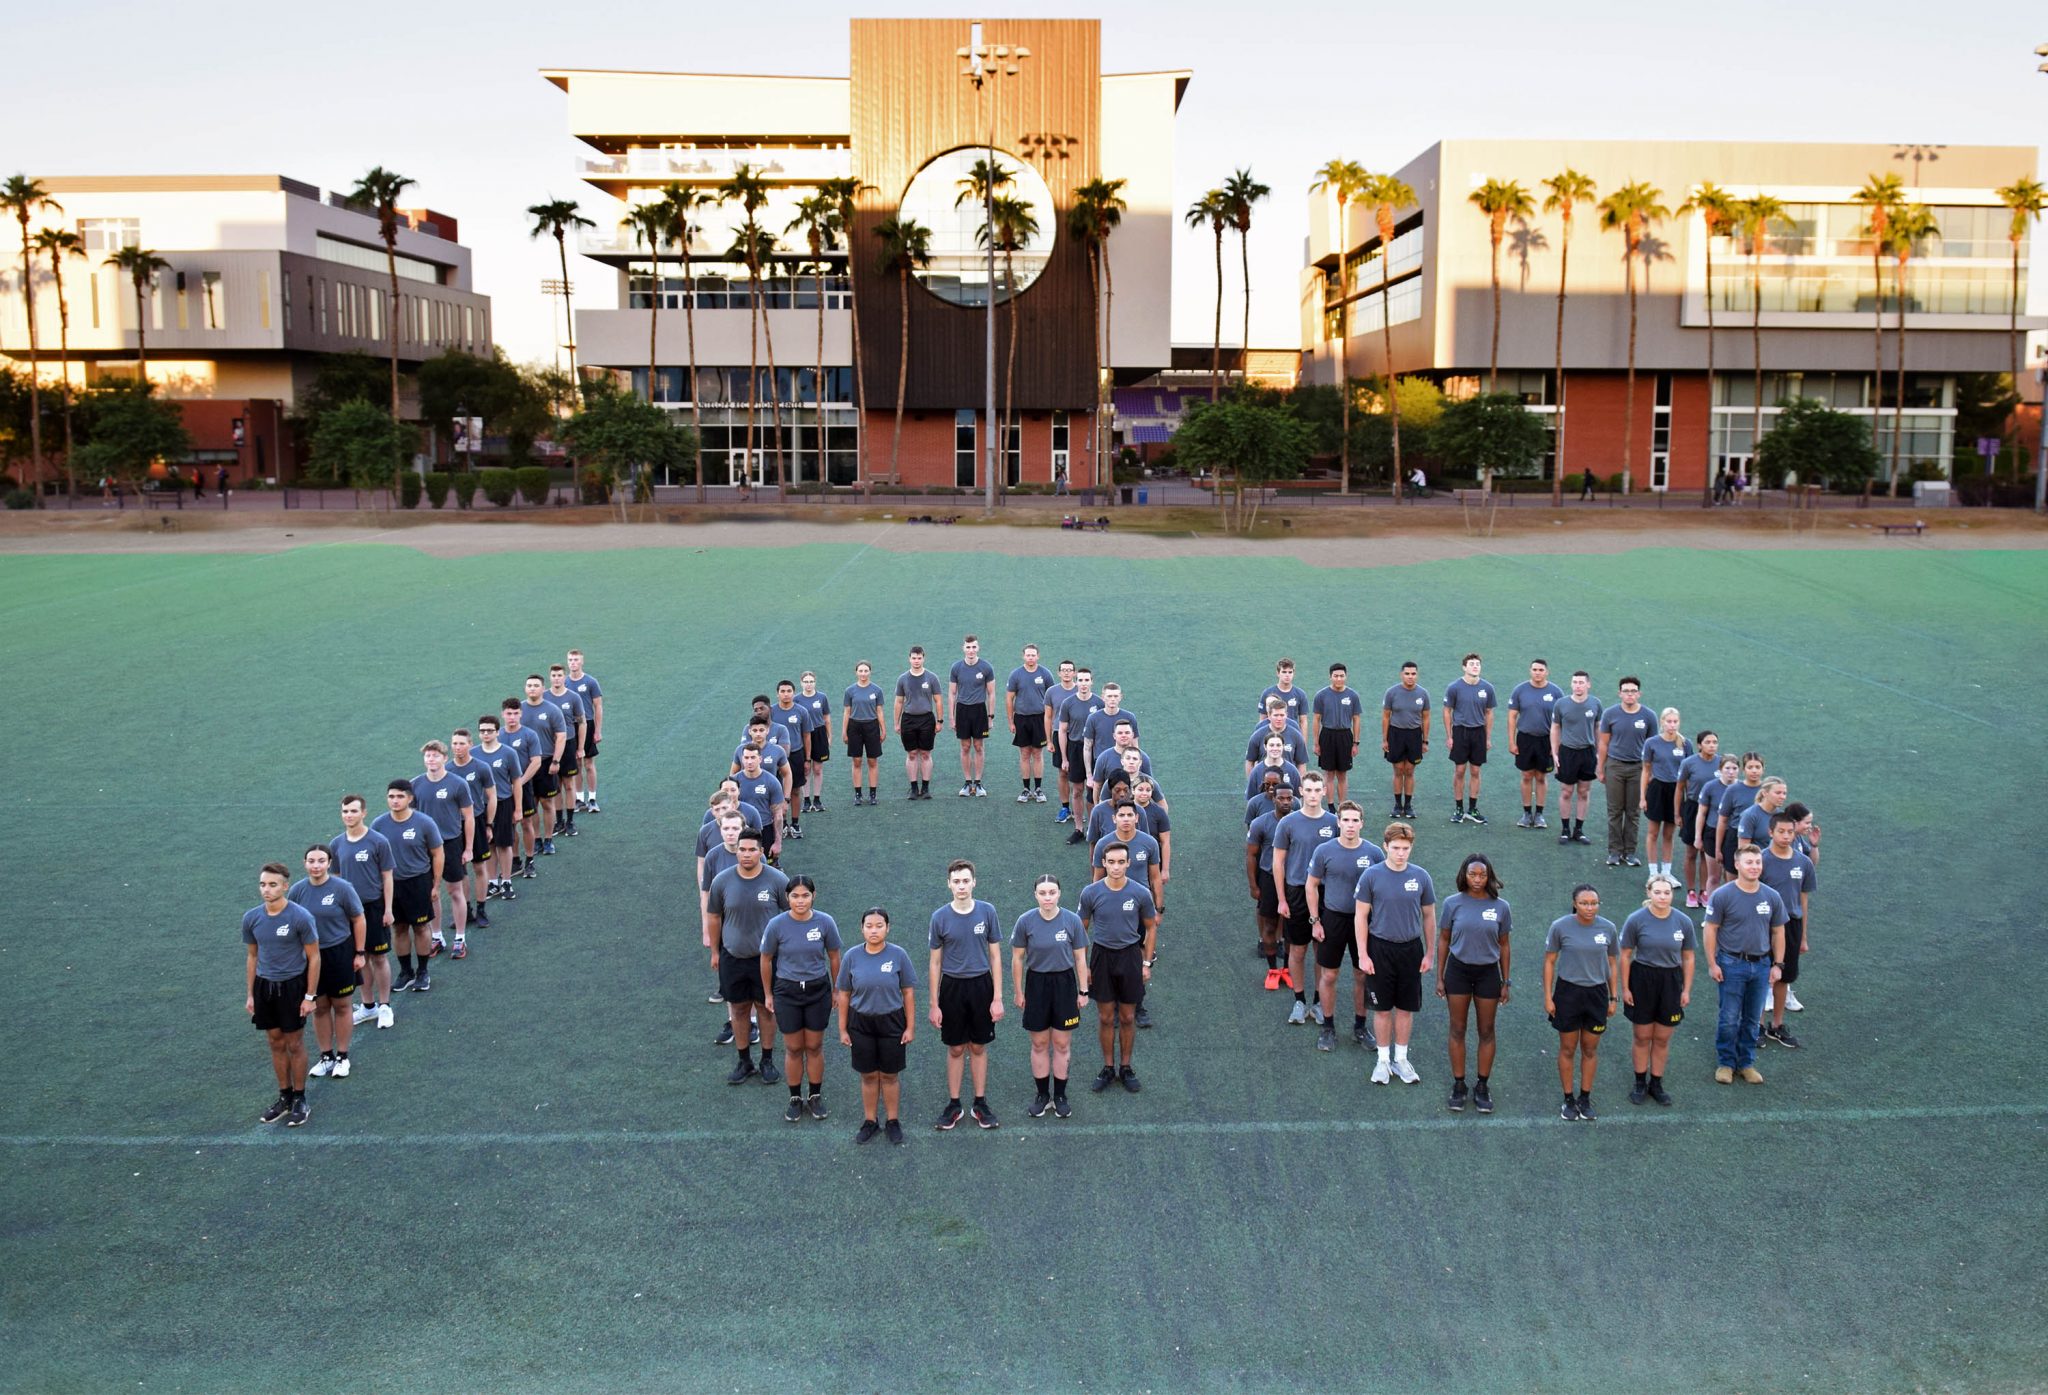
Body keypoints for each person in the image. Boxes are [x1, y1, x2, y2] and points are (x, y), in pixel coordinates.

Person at [705, 828, 790, 1084]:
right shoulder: (722, 881)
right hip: (733, 957)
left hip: (767, 960)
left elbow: (792, 916)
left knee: (766, 1008)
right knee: (739, 1009)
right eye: (742, 850)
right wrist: (715, 951)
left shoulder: (777, 880)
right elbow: (714, 916)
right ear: (737, 852)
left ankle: (767, 1060)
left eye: (752, 849)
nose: (746, 854)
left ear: (761, 852)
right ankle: (744, 1061)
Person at [1354, 821, 1436, 1084]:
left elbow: (1429, 916)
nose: (1401, 853)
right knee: (1381, 1008)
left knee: (1405, 1008)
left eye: (1405, 848)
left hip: (1411, 950)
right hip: (1380, 949)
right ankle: (1382, 1061)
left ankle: (1400, 1060)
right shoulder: (1371, 876)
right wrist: (1363, 954)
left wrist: (1430, 953)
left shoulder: (1421, 876)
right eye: (1396, 848)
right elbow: (1360, 916)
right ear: (1385, 846)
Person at [928, 860, 1006, 1129]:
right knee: (956, 1047)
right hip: (952, 988)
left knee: (979, 1046)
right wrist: (934, 1004)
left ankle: (980, 1103)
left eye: (965, 881)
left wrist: (997, 998)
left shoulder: (987, 911)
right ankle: (954, 1104)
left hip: (981, 986)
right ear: (949, 884)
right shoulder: (939, 917)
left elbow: (995, 956)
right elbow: (935, 963)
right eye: (956, 881)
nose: (961, 886)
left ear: (974, 882)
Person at [1703, 844, 1788, 1085]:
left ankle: (1746, 1063)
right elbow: (1710, 930)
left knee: (1752, 1019)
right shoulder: (1723, 895)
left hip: (1761, 966)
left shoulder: (1772, 896)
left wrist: (1778, 965)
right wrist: (1712, 963)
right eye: (1749, 862)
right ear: (1737, 864)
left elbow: (1778, 932)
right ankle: (1726, 1063)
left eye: (1758, 862)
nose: (1754, 867)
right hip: (1731, 963)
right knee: (1729, 1017)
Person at [760, 875, 843, 1122]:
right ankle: (795, 1097)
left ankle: (814, 1095)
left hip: (818, 990)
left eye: (805, 895)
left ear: (813, 896)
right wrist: (768, 993)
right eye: (795, 896)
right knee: (794, 1047)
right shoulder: (776, 925)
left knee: (814, 1046)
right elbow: (765, 959)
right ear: (787, 897)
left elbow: (834, 956)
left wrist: (836, 990)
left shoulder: (825, 922)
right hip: (787, 991)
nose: (800, 901)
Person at [244, 862, 320, 1127]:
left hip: (292, 987)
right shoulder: (252, 918)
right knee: (275, 1042)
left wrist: (310, 996)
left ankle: (300, 1098)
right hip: (264, 987)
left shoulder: (300, 917)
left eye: (273, 885)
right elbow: (252, 956)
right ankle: (284, 1096)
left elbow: (314, 957)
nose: (266, 889)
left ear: (285, 886)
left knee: (294, 1043)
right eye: (263, 884)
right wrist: (251, 994)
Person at [1434, 853, 1511, 1114]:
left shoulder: (1501, 907)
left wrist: (1506, 981)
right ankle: (1459, 1085)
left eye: (1482, 875)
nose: (1477, 879)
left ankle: (1482, 1085)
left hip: (1488, 973)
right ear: (1464, 875)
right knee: (1457, 1028)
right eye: (1472, 874)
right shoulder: (1452, 903)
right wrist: (1440, 976)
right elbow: (1444, 939)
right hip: (1458, 972)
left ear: (1489, 876)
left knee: (1486, 1030)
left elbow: (1504, 945)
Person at [836, 908, 919, 1145]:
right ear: (862, 928)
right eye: (869, 926)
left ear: (887, 928)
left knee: (890, 1075)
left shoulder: (898, 955)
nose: (874, 930)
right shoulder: (852, 956)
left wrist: (910, 1027)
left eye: (879, 926)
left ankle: (892, 1121)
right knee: (869, 1075)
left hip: (892, 1022)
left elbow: (908, 993)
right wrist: (842, 1029)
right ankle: (870, 1121)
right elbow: (844, 994)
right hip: (860, 1023)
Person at [1078, 844, 1157, 1094]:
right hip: (1101, 957)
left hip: (1130, 957)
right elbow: (1081, 931)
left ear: (1128, 863)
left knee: (1127, 1017)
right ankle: (1108, 1068)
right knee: (1105, 1017)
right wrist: (1084, 967)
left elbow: (1151, 927)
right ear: (1103, 863)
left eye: (1121, 862)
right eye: (1111, 862)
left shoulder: (1140, 893)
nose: (1115, 867)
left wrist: (1146, 963)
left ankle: (1126, 1067)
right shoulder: (1090, 893)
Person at [1306, 802, 1384, 1051]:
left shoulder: (1374, 853)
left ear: (1362, 823)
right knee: (1329, 975)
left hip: (1365, 922)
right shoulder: (1324, 851)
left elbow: (1382, 890)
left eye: (1355, 820)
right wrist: (1315, 921)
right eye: (1346, 820)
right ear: (1338, 822)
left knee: (1362, 974)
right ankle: (1328, 1027)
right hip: (1333, 920)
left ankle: (1360, 1027)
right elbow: (1311, 885)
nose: (1350, 825)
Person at [1012, 874, 1090, 1118]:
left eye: (1052, 892)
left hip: (1064, 984)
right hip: (1037, 984)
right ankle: (1042, 1095)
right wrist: (1018, 991)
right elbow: (1017, 958)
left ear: (1059, 894)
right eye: (1043, 893)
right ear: (1035, 895)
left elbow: (1080, 957)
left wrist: (1083, 990)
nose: (1048, 897)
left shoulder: (1072, 920)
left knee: (1062, 1044)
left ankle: (1060, 1096)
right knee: (1039, 1043)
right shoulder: (1025, 921)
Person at [289, 845, 366, 1082]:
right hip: (311, 957)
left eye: (321, 861)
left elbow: (358, 919)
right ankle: (326, 1056)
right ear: (304, 863)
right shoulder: (297, 891)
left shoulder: (342, 888)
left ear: (329, 863)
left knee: (342, 1005)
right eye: (311, 861)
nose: (316, 866)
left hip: (339, 953)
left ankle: (342, 1056)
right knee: (320, 1007)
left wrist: (359, 952)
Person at [1544, 884, 1620, 1121]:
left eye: (1594, 903)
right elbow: (1549, 962)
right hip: (1568, 993)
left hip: (1597, 994)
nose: (1590, 908)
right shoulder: (1560, 927)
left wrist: (1613, 996)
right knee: (1568, 1048)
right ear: (1575, 904)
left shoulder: (1608, 928)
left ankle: (1584, 1098)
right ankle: (1568, 1099)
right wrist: (1548, 996)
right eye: (1584, 903)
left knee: (1589, 1049)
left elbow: (1612, 962)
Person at [1619, 873, 1696, 1106]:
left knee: (1662, 1037)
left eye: (1667, 892)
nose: (1663, 897)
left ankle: (1656, 1083)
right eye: (1658, 892)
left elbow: (1688, 957)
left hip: (1671, 980)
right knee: (1642, 1035)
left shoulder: (1683, 921)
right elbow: (1625, 955)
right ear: (1648, 893)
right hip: (1643, 978)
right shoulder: (1636, 920)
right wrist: (1625, 988)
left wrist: (1686, 989)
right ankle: (1640, 1082)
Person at [1272, 772, 1338, 1026]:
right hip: (1297, 892)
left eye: (1317, 790)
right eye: (1308, 790)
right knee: (1298, 949)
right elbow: (1278, 862)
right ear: (1301, 791)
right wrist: (1281, 899)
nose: (1312, 795)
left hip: (1326, 893)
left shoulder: (1334, 822)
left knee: (1323, 949)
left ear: (1324, 792)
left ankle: (1319, 1001)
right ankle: (1299, 1001)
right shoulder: (1288, 823)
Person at [329, 794, 395, 1029]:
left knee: (379, 957)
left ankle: (385, 1005)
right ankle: (368, 1006)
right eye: (345, 811)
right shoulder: (336, 844)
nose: (349, 815)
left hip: (374, 907)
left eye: (353, 811)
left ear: (364, 813)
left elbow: (387, 877)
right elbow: (336, 880)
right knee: (359, 958)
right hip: (349, 912)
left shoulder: (378, 841)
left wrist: (388, 909)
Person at [371, 779, 443, 994]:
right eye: (391, 796)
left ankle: (423, 971)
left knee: (421, 927)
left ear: (410, 798)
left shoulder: (424, 822)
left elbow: (438, 853)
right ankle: (406, 972)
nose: (395, 800)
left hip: (418, 882)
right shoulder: (378, 825)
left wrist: (436, 885)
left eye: (400, 796)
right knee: (399, 928)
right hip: (391, 885)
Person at [1756, 810, 1816, 1050]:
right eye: (1781, 831)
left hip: (1791, 925)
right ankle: (1757, 1025)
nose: (1786, 836)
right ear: (1770, 832)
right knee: (1761, 975)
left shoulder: (1803, 862)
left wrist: (1803, 937)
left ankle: (1777, 1025)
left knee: (1784, 976)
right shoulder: (1760, 861)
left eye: (1790, 832)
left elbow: (1803, 901)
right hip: (1763, 925)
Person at [411, 740, 475, 961]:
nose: (431, 759)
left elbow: (469, 817)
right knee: (432, 892)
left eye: (435, 755)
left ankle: (460, 938)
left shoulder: (457, 784)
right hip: (424, 847)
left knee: (455, 891)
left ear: (445, 758)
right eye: (428, 756)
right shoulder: (415, 785)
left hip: (450, 843)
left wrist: (468, 848)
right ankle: (437, 937)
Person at [1597, 677, 1652, 868]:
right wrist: (1600, 768)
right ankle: (1614, 852)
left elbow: (1652, 746)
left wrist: (1650, 772)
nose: (1630, 694)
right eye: (1626, 691)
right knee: (1614, 811)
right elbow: (1603, 743)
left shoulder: (1648, 716)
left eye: (1633, 691)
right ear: (1620, 693)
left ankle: (1630, 852)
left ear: (1639, 694)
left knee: (1633, 812)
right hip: (1615, 766)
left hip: (1638, 768)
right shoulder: (1610, 714)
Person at [1245, 783, 1296, 976]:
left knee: (1292, 927)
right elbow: (1251, 855)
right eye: (1281, 798)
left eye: (1289, 798)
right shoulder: (1260, 823)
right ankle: (1273, 970)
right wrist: (1253, 885)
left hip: (1295, 880)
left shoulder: (1300, 822)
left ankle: (1288, 969)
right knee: (1269, 924)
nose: (1285, 802)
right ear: (1273, 799)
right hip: (1269, 878)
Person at [447, 729, 495, 931]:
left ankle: (481, 909)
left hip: (476, 820)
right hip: (454, 826)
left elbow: (492, 796)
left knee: (479, 867)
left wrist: (489, 824)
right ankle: (466, 910)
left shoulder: (481, 767)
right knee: (461, 869)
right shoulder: (447, 769)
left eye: (461, 743)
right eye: (454, 743)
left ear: (470, 745)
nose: (457, 747)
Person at [1442, 654, 1498, 825]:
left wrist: (1487, 737)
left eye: (1477, 664)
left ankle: (1473, 809)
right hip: (1461, 732)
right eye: (1471, 664)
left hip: (1478, 733)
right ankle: (1459, 808)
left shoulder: (1487, 688)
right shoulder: (1454, 687)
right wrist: (1449, 736)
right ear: (1464, 667)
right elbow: (1447, 711)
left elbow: (1489, 713)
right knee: (1459, 771)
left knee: (1475, 771)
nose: (1475, 666)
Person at [1549, 671, 1602, 846]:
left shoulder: (1595, 703)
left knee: (1584, 791)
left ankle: (1579, 830)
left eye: (1581, 682)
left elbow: (1598, 728)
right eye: (1575, 682)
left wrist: (1599, 752)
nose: (1578, 685)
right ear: (1571, 684)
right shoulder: (1561, 704)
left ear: (1588, 684)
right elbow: (1555, 727)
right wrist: (1555, 752)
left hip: (1587, 752)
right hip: (1567, 752)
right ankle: (1565, 829)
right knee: (1566, 791)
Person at [520, 675, 570, 858]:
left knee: (547, 803)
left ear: (543, 688)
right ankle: (537, 839)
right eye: (529, 685)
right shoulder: (519, 710)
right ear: (525, 688)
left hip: (546, 762)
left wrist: (556, 761)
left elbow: (561, 736)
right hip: (526, 765)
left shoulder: (552, 710)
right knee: (531, 805)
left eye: (536, 685)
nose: (532, 688)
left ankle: (548, 839)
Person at [1506, 659, 1559, 829]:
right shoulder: (1520, 690)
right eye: (1535, 669)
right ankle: (1527, 813)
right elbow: (1512, 716)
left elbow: (1561, 721)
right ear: (1530, 671)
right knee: (1527, 775)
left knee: (1541, 776)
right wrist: (1511, 741)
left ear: (1547, 672)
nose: (1537, 672)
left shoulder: (1555, 692)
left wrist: (1556, 745)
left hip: (1546, 739)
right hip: (1525, 739)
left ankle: (1540, 814)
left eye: (1541, 670)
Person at [1639, 708, 1691, 880]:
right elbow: (1646, 770)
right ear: (1662, 722)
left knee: (1669, 834)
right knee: (1653, 832)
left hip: (1676, 791)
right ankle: (1653, 873)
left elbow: (1689, 773)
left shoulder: (1685, 744)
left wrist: (1688, 798)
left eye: (1675, 721)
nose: (1672, 725)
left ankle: (1667, 873)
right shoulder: (1651, 743)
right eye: (1669, 721)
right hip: (1657, 789)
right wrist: (1642, 797)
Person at [474, 716, 520, 904]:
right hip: (480, 806)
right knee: (489, 844)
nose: (486, 734)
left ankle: (506, 881)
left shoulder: (508, 753)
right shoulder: (473, 754)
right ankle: (492, 881)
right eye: (482, 731)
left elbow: (516, 781)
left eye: (489, 730)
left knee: (505, 844)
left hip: (503, 803)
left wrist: (518, 808)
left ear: (497, 732)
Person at [499, 700, 546, 881]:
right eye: (508, 713)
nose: (512, 717)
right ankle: (515, 860)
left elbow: (536, 762)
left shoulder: (529, 734)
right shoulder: (498, 735)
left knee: (526, 823)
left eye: (515, 713)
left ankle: (530, 859)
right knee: (509, 825)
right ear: (503, 714)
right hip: (502, 789)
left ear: (521, 714)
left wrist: (519, 783)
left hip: (524, 787)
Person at [1674, 731, 1721, 907]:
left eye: (1714, 742)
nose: (1712, 745)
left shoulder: (1722, 763)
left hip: (1714, 810)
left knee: (1706, 853)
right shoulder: (1689, 763)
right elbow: (1679, 789)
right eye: (1708, 742)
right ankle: (1691, 891)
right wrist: (1677, 814)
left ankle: (1704, 891)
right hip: (1693, 809)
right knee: (1691, 852)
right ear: (1700, 745)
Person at [1004, 643, 1056, 803]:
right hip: (1021, 719)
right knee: (1025, 754)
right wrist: (1011, 721)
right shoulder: (1016, 674)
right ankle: (1026, 789)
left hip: (1040, 719)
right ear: (1023, 656)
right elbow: (1009, 698)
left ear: (1038, 656)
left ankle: (1038, 789)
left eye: (1033, 655)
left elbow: (1052, 698)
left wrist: (1052, 721)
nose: (1031, 658)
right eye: (1028, 655)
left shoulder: (1045, 674)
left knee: (1038, 754)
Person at [1380, 662, 1431, 820]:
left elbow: (1426, 718)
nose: (1410, 677)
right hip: (1396, 734)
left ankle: (1408, 805)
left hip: (1414, 735)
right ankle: (1397, 805)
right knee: (1398, 770)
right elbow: (1386, 716)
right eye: (1407, 673)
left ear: (1417, 675)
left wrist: (1425, 741)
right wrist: (1385, 739)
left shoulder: (1423, 694)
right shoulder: (1392, 693)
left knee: (1409, 770)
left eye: (1413, 674)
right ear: (1401, 675)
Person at [948, 635, 997, 797]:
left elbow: (991, 693)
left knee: (978, 746)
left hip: (979, 710)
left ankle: (978, 783)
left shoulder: (986, 667)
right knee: (965, 747)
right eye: (968, 647)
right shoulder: (956, 668)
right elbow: (952, 693)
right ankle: (968, 782)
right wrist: (951, 717)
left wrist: (990, 717)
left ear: (978, 648)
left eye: (974, 647)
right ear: (963, 648)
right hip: (962, 710)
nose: (971, 650)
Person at [1056, 668, 1104, 833]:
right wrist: (1064, 758)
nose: (1083, 684)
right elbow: (1062, 731)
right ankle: (1078, 829)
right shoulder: (1068, 703)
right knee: (1077, 790)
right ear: (1076, 682)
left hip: (1094, 750)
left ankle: (1092, 828)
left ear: (1091, 682)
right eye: (1081, 680)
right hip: (1075, 749)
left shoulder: (1099, 703)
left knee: (1093, 792)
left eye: (1086, 680)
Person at [893, 646, 944, 799]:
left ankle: (926, 788)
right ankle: (914, 788)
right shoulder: (902, 679)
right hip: (908, 720)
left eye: (919, 658)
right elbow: (899, 702)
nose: (916, 661)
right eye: (914, 658)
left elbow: (938, 700)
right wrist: (896, 722)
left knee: (926, 753)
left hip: (927, 719)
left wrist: (939, 721)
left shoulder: (932, 678)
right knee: (912, 754)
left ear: (923, 658)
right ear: (909, 659)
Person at [546, 664, 589, 839]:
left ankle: (570, 821)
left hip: (569, 744)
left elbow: (582, 723)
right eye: (554, 675)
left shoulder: (573, 697)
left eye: (559, 675)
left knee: (569, 784)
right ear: (550, 677)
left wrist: (580, 748)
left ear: (564, 677)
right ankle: (559, 821)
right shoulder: (544, 697)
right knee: (555, 786)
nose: (556, 678)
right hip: (550, 746)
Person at [1310, 663, 1363, 804]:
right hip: (1327, 735)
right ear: (1330, 677)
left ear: (1346, 676)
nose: (1339, 679)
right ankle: (1331, 805)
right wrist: (1316, 743)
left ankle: (1342, 805)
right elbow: (1316, 719)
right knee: (1328, 773)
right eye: (1336, 676)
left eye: (1341, 676)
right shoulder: (1321, 695)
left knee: (1342, 774)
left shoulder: (1352, 696)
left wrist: (1355, 743)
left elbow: (1356, 719)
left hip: (1345, 736)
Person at [768, 680, 815, 838]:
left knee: (795, 790)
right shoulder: (771, 712)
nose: (786, 694)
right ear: (777, 694)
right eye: (782, 691)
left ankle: (795, 823)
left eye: (789, 691)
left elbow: (807, 736)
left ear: (794, 693)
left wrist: (807, 759)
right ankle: (781, 823)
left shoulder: (801, 711)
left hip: (795, 755)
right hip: (774, 757)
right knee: (776, 791)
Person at [1694, 755, 1742, 902]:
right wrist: (1698, 837)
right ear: (1720, 769)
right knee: (1714, 877)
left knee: (1731, 877)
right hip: (1712, 833)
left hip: (1733, 835)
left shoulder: (1741, 788)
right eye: (1727, 768)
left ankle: (1729, 909)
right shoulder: (1710, 787)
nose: (1731, 772)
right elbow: (1702, 813)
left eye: (1734, 768)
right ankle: (1711, 908)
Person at [1713, 753, 1768, 876]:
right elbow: (1722, 820)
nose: (1754, 771)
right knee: (1733, 877)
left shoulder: (1767, 790)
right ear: (1743, 770)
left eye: (1757, 767)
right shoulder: (1733, 790)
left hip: (1760, 839)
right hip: (1735, 837)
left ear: (1763, 769)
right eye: (1750, 767)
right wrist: (1718, 849)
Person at [841, 661, 886, 806]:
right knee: (857, 760)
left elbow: (879, 711)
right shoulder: (850, 691)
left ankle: (873, 794)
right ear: (856, 672)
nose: (863, 673)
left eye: (866, 671)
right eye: (860, 671)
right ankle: (858, 794)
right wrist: (844, 731)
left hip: (872, 726)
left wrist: (883, 729)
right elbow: (847, 712)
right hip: (854, 726)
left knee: (872, 760)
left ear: (870, 672)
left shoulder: (877, 690)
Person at [565, 649, 604, 813]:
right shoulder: (564, 683)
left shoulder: (590, 682)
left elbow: (598, 706)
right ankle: (580, 799)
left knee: (588, 763)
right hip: (570, 726)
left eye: (576, 660)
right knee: (576, 764)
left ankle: (592, 799)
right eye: (570, 660)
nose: (573, 663)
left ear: (582, 661)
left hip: (587, 724)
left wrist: (598, 730)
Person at [732, 745, 786, 863]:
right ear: (742, 759)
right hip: (740, 829)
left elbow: (778, 815)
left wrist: (778, 842)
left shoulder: (772, 781)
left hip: (764, 829)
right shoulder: (734, 783)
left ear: (760, 759)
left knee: (766, 865)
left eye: (753, 757)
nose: (749, 761)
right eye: (746, 758)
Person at [1047, 659, 1080, 822]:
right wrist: (1049, 740)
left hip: (1078, 737)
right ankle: (1065, 807)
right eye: (1064, 670)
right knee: (1062, 772)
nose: (1067, 673)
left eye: (1069, 670)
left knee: (1079, 775)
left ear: (1074, 673)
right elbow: (1048, 717)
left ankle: (1077, 809)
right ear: (1059, 673)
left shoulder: (1081, 690)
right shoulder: (1052, 692)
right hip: (1058, 735)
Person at [1246, 700, 1309, 779]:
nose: (1279, 718)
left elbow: (1301, 764)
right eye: (1275, 715)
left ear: (1286, 715)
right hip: (1264, 781)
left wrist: (1299, 783)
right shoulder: (1257, 736)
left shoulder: (1296, 736)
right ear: (1269, 715)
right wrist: (1252, 782)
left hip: (1288, 782)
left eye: (1282, 715)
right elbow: (1250, 762)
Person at [797, 670, 830, 813]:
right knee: (806, 769)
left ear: (815, 682)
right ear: (801, 683)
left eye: (811, 681)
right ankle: (806, 800)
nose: (808, 684)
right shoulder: (796, 699)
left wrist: (829, 736)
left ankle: (817, 799)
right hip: (803, 734)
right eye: (806, 682)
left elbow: (826, 718)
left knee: (817, 769)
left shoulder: (822, 697)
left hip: (819, 733)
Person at [1259, 658, 1308, 726]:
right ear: (1278, 673)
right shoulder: (1267, 693)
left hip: (1292, 731)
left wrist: (1303, 734)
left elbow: (1303, 721)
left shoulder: (1300, 694)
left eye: (1290, 672)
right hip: (1272, 732)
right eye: (1284, 672)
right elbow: (1262, 720)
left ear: (1294, 673)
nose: (1287, 675)